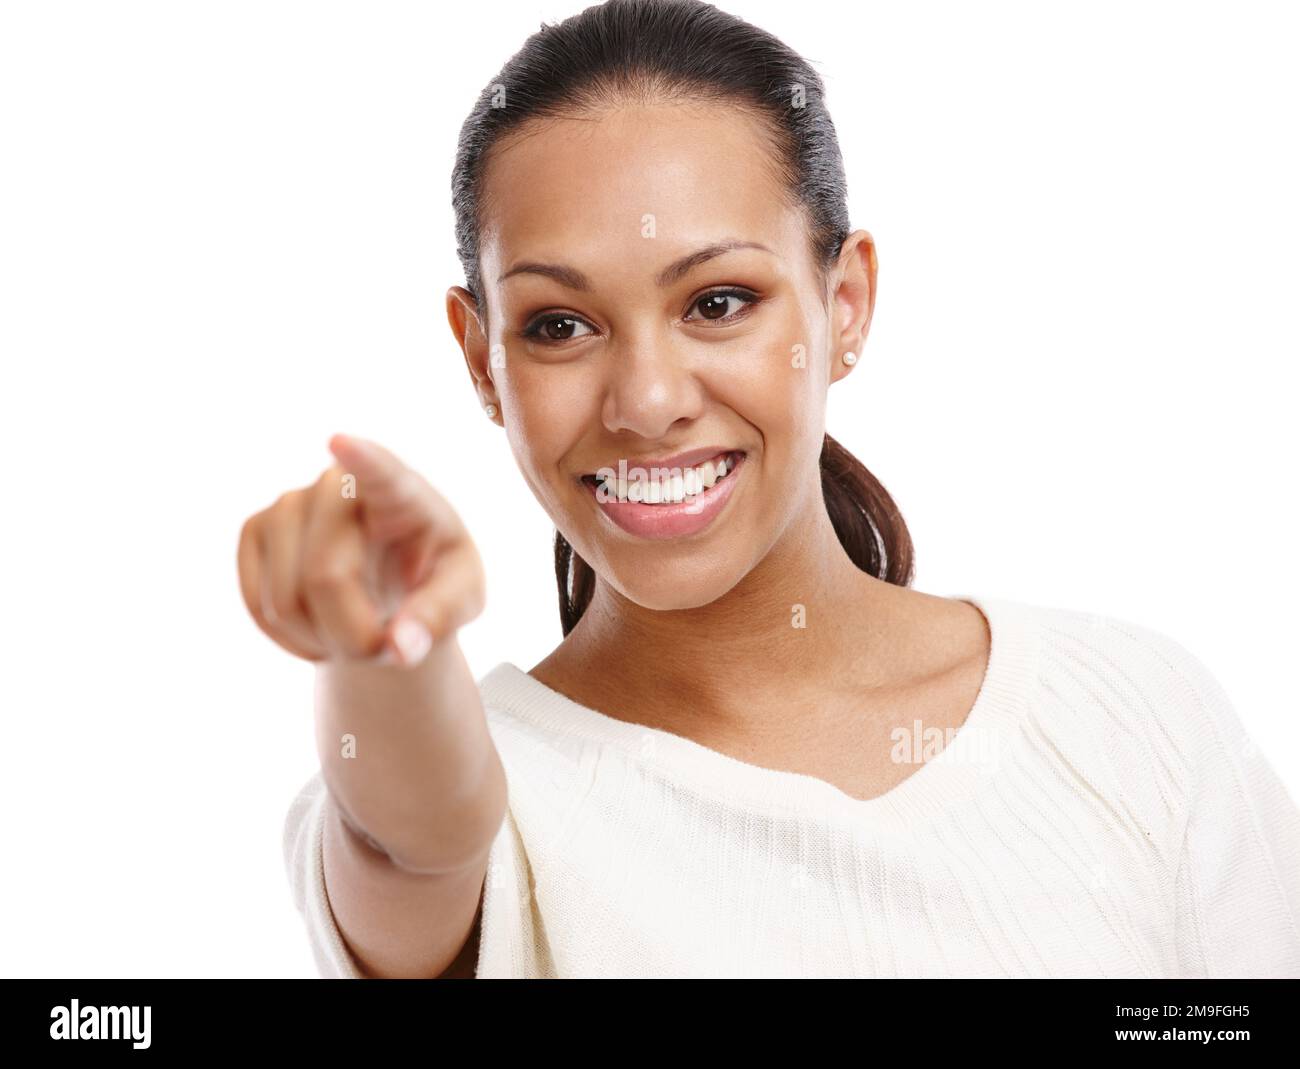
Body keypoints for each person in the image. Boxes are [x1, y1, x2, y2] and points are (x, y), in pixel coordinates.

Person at [239, 0, 1300, 978]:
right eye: (560, 325)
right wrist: (383, 644)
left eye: (718, 301)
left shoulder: (1129, 719)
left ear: (844, 305)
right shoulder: (496, 802)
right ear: (482, 361)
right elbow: (407, 833)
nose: (647, 402)